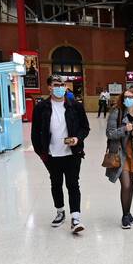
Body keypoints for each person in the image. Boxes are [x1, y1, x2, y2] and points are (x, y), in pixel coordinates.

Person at [31, 75, 90, 234]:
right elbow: (35, 132)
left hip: (73, 153)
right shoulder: (41, 108)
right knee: (56, 184)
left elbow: (85, 127)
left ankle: (76, 217)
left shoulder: (75, 106)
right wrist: (42, 153)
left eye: (62, 85)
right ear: (49, 87)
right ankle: (60, 211)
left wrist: (77, 139)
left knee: (73, 184)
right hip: (51, 155)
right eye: (57, 85)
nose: (60, 87)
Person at [105, 90, 133, 229]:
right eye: (125, 97)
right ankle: (124, 216)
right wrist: (124, 129)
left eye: (131, 97)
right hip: (120, 153)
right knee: (126, 185)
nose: (128, 99)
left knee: (131, 186)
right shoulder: (117, 112)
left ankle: (128, 213)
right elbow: (109, 133)